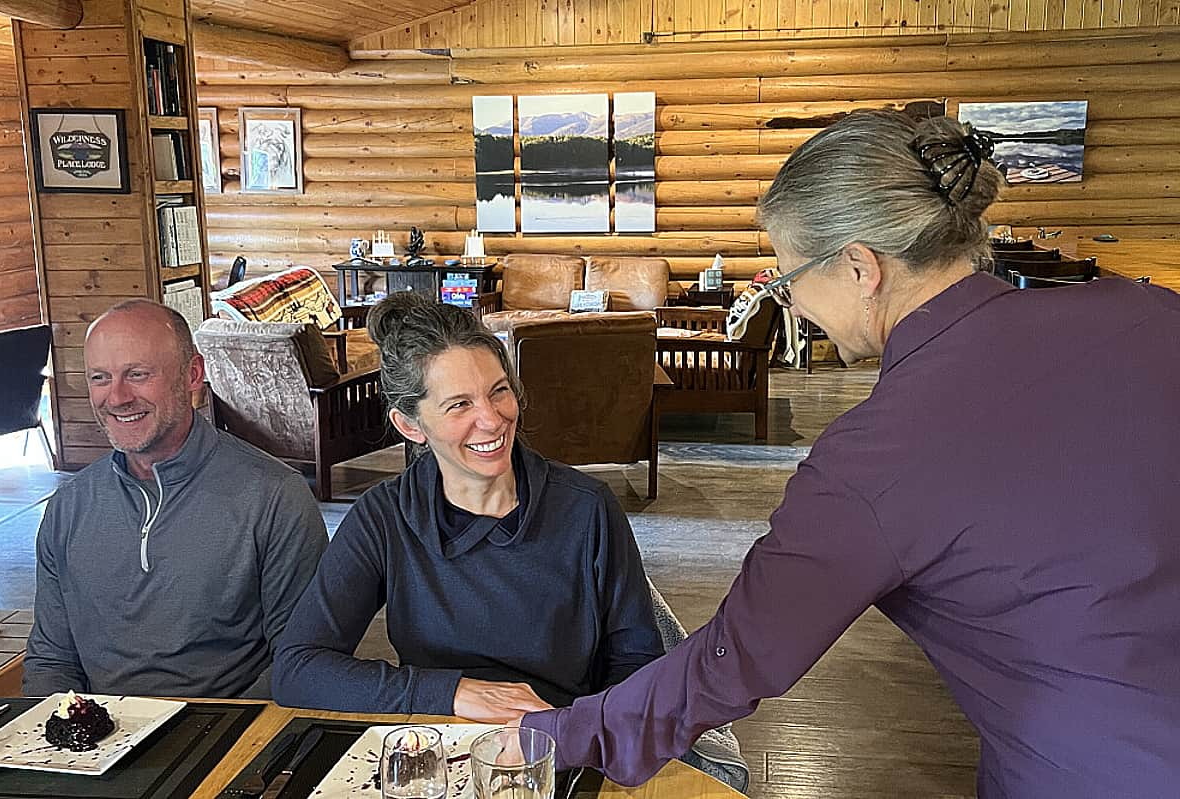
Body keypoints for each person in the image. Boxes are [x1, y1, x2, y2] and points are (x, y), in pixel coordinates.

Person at [519, 111, 1180, 798]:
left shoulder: (876, 454)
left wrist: (553, 733)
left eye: (789, 274)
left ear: (861, 267)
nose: (790, 301)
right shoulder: (1150, 312)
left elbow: (734, 658)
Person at [271, 293, 663, 722]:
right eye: (459, 404)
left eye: (499, 392)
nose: (492, 420)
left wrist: (580, 733)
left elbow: (638, 662)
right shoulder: (385, 516)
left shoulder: (587, 509)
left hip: (555, 745)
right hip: (435, 747)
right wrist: (450, 693)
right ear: (410, 425)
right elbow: (298, 669)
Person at [24, 300, 328, 698]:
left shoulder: (275, 497)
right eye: (100, 377)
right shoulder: (68, 509)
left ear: (193, 375)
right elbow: (51, 659)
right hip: (97, 743)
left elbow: (302, 661)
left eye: (137, 374)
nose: (116, 397)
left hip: (223, 739)